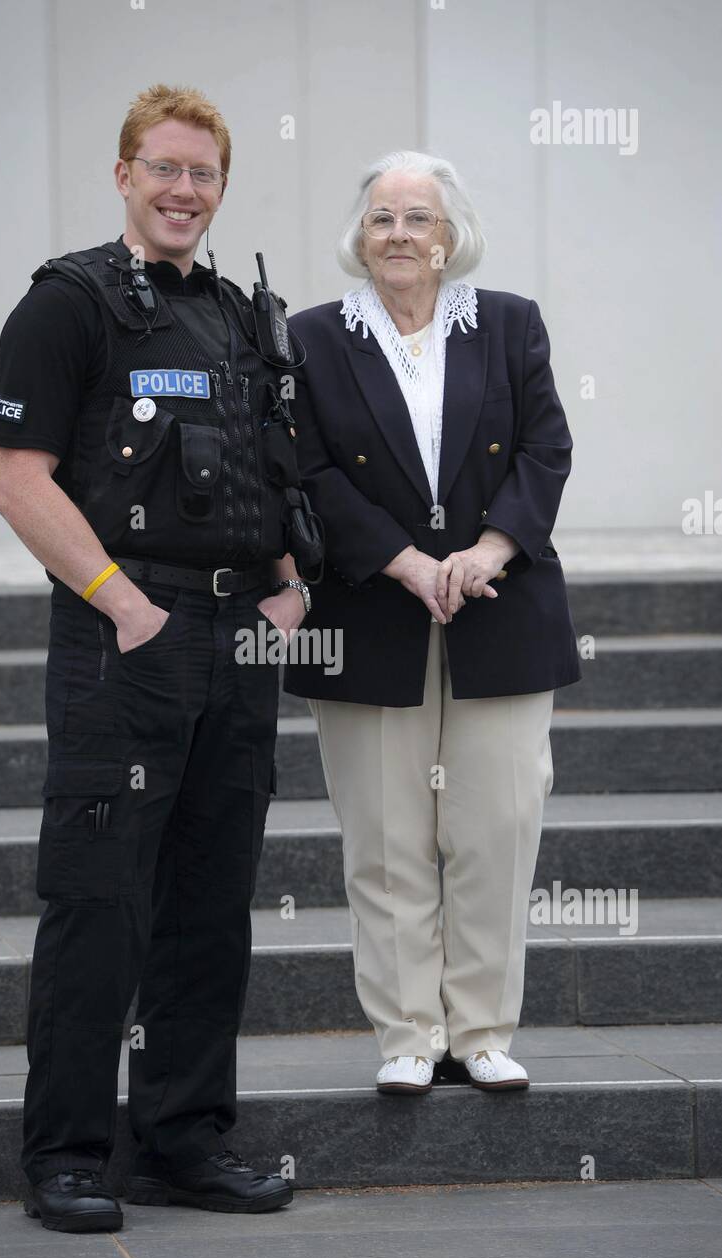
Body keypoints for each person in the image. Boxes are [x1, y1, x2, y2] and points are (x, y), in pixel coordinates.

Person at [0, 84, 318, 1233]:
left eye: (203, 173)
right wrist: (127, 609)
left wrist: (292, 588)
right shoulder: (66, 304)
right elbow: (19, 482)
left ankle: (185, 1141)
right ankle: (69, 1156)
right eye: (164, 169)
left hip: (238, 642)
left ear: (222, 187)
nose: (184, 190)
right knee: (100, 898)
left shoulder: (241, 316)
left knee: (210, 902)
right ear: (123, 174)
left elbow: (277, 470)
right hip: (123, 637)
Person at [284, 150, 581, 1097]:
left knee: (496, 827)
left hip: (500, 603)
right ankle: (408, 1035)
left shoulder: (509, 323)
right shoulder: (309, 338)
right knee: (384, 838)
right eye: (382, 218)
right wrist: (406, 562)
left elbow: (544, 447)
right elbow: (304, 471)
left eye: (418, 218)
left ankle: (482, 1031)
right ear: (359, 235)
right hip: (371, 608)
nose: (399, 234)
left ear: (450, 236)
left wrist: (487, 551)